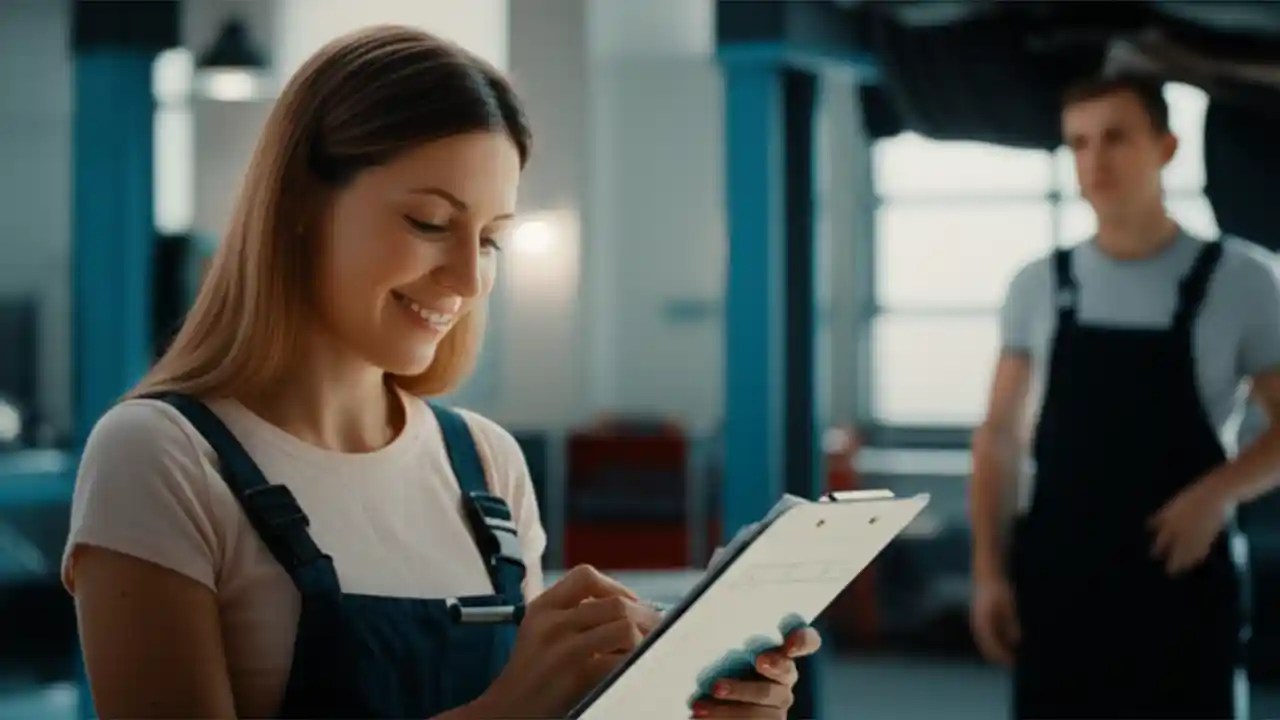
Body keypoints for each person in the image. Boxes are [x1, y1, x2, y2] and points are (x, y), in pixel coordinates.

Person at [63, 26, 819, 720]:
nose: (467, 277)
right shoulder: (160, 456)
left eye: (490, 240)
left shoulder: (485, 464)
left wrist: (692, 701)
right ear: (300, 206)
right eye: (429, 223)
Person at [969, 73, 1280, 719]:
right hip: (1059, 578)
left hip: (1184, 575)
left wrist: (1215, 494)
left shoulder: (1241, 280)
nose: (1094, 161)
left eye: (1115, 138)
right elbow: (998, 437)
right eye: (1077, 143)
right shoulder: (1038, 285)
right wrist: (989, 572)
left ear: (1166, 147)